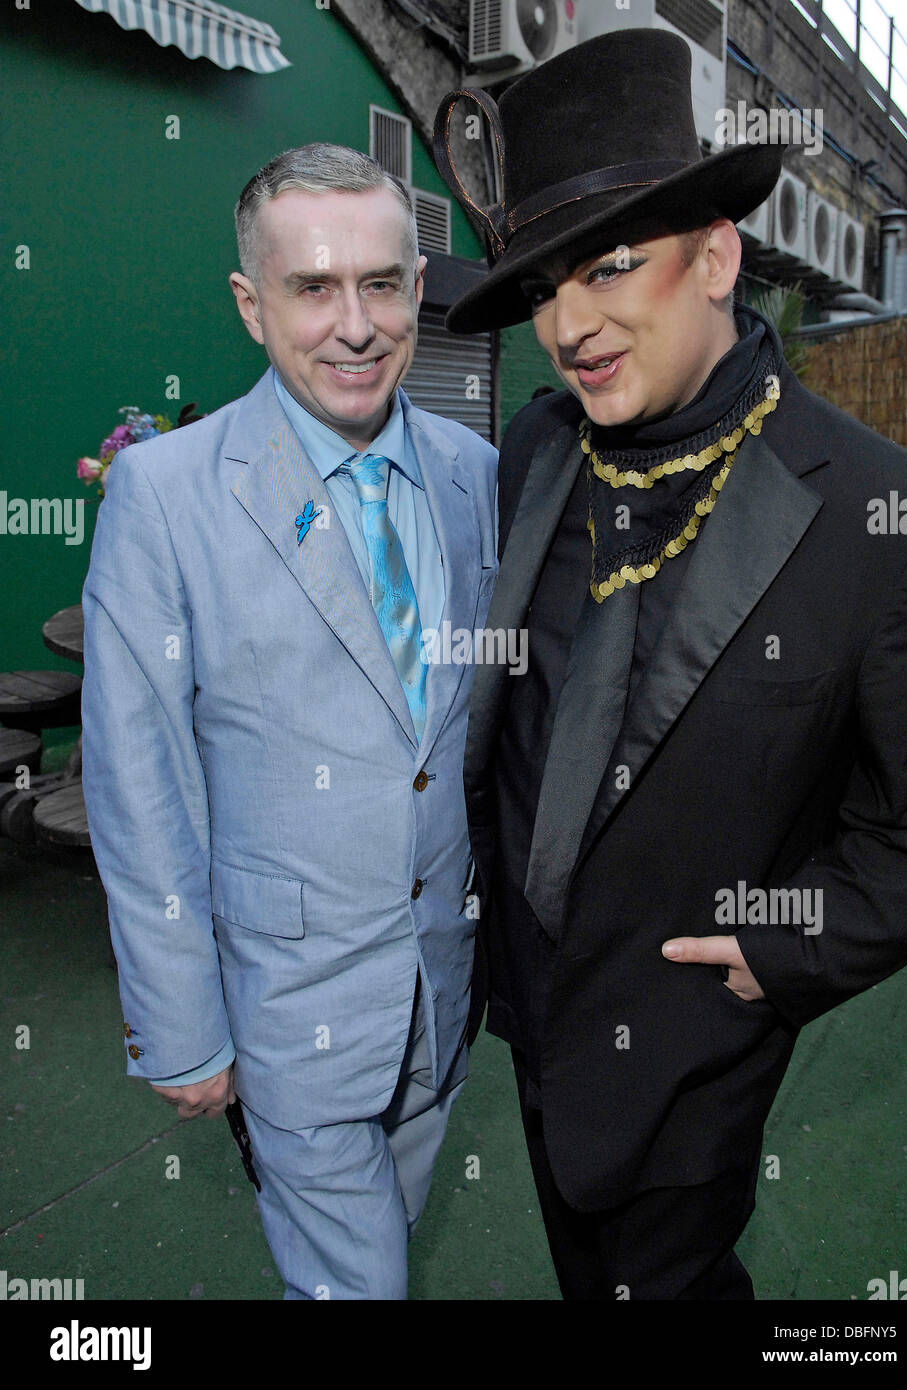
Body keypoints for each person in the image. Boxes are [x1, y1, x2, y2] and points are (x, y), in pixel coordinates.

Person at [434, 30, 907, 1299]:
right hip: (528, 1017)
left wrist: (784, 945)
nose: (568, 325)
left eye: (609, 266)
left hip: (690, 1049)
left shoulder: (880, 519)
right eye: (542, 285)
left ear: (714, 257)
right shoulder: (533, 452)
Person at [81, 142, 498, 1300]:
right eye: (313, 288)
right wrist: (179, 1023)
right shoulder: (163, 495)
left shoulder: (472, 471)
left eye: (379, 284)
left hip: (441, 993)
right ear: (249, 303)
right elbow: (140, 784)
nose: (353, 326)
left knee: (385, 1242)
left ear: (417, 289)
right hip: (285, 1011)